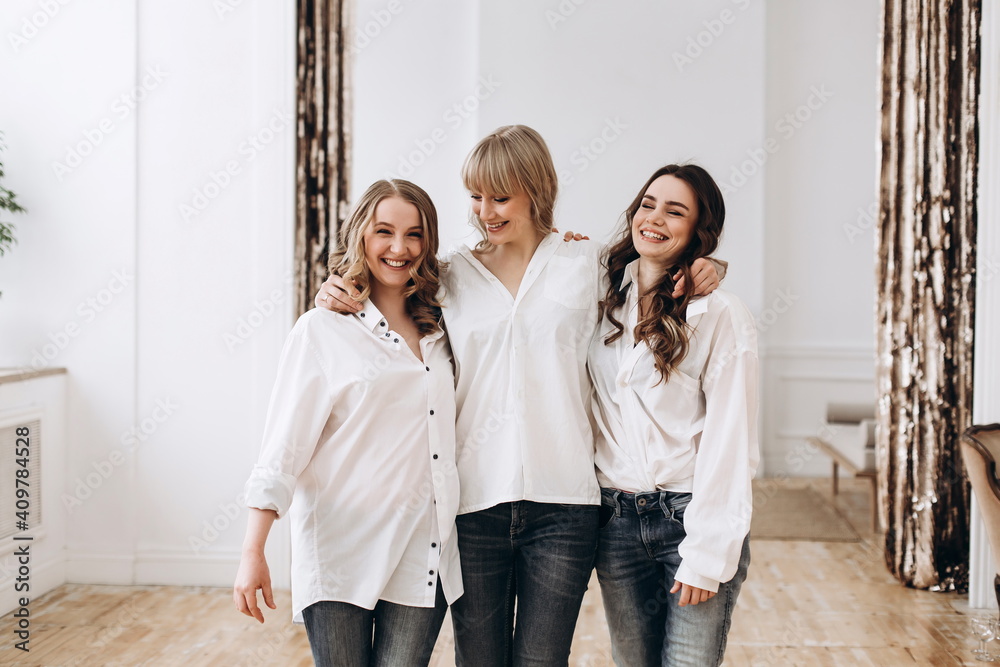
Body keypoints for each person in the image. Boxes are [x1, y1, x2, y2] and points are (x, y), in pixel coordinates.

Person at [315, 126, 722, 666]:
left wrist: (707, 265)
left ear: (535, 190)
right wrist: (332, 288)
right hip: (472, 505)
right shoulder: (448, 273)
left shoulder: (591, 264)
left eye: (500, 197)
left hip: (566, 507)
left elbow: (657, 269)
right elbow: (382, 294)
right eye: (476, 196)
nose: (485, 211)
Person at [233, 179, 462, 667]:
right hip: (340, 552)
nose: (399, 248)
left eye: (415, 234)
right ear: (360, 234)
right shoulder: (321, 329)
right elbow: (283, 448)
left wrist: (561, 243)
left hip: (423, 551)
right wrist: (253, 550)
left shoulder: (447, 328)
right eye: (384, 231)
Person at [588, 164, 758, 666]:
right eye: (648, 204)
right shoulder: (599, 296)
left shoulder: (719, 314)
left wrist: (707, 554)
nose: (655, 218)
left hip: (689, 519)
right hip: (615, 522)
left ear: (698, 229)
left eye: (675, 211)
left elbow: (731, 440)